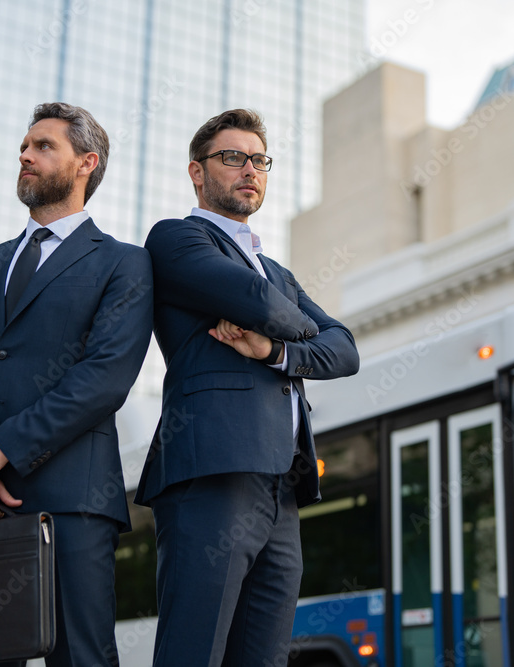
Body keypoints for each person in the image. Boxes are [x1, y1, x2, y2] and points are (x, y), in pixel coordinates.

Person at [0, 102, 153, 667]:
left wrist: (0, 451)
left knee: (81, 659)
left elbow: (104, 377)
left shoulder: (125, 265)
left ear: (86, 163)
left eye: (43, 146)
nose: (25, 155)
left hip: (74, 502)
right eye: (24, 146)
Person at [136, 109, 360, 666]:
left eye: (259, 160)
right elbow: (259, 304)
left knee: (264, 659)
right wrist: (289, 321)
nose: (249, 170)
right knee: (196, 652)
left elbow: (347, 350)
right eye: (232, 158)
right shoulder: (176, 240)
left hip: (282, 486)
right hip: (211, 472)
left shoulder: (277, 270)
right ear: (197, 171)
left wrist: (277, 349)